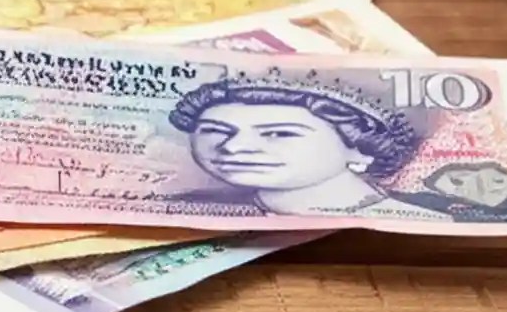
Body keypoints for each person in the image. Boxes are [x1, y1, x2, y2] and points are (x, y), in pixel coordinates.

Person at [165, 76, 450, 220]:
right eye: (215, 130)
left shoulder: (432, 221)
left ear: (360, 148)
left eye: (279, 133)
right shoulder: (187, 208)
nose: (234, 148)